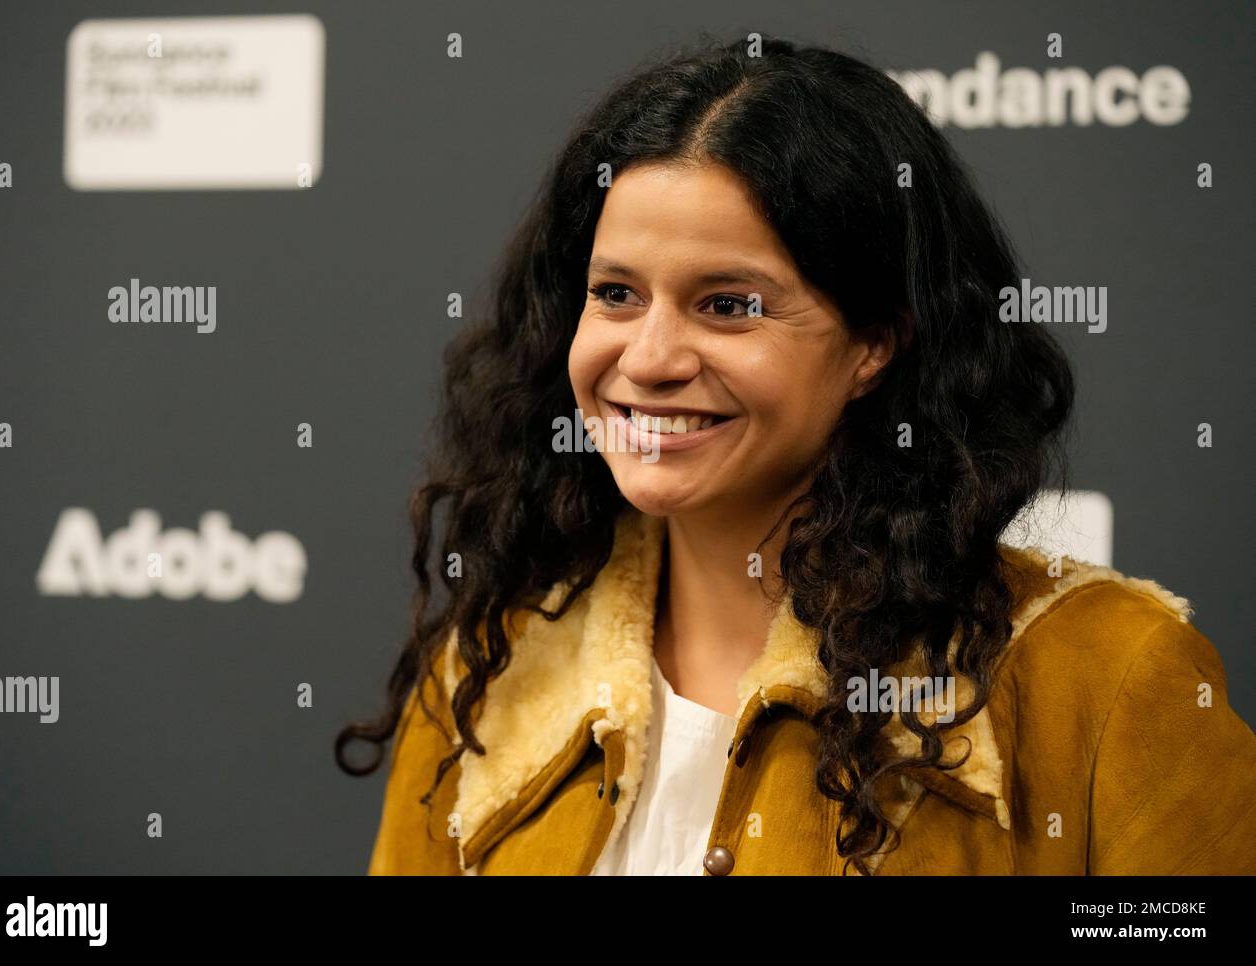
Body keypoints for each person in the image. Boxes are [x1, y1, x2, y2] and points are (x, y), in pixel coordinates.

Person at [338, 35, 1256, 875]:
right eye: (616, 293)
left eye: (729, 304)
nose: (649, 359)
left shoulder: (1110, 679)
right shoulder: (487, 666)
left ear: (874, 345)